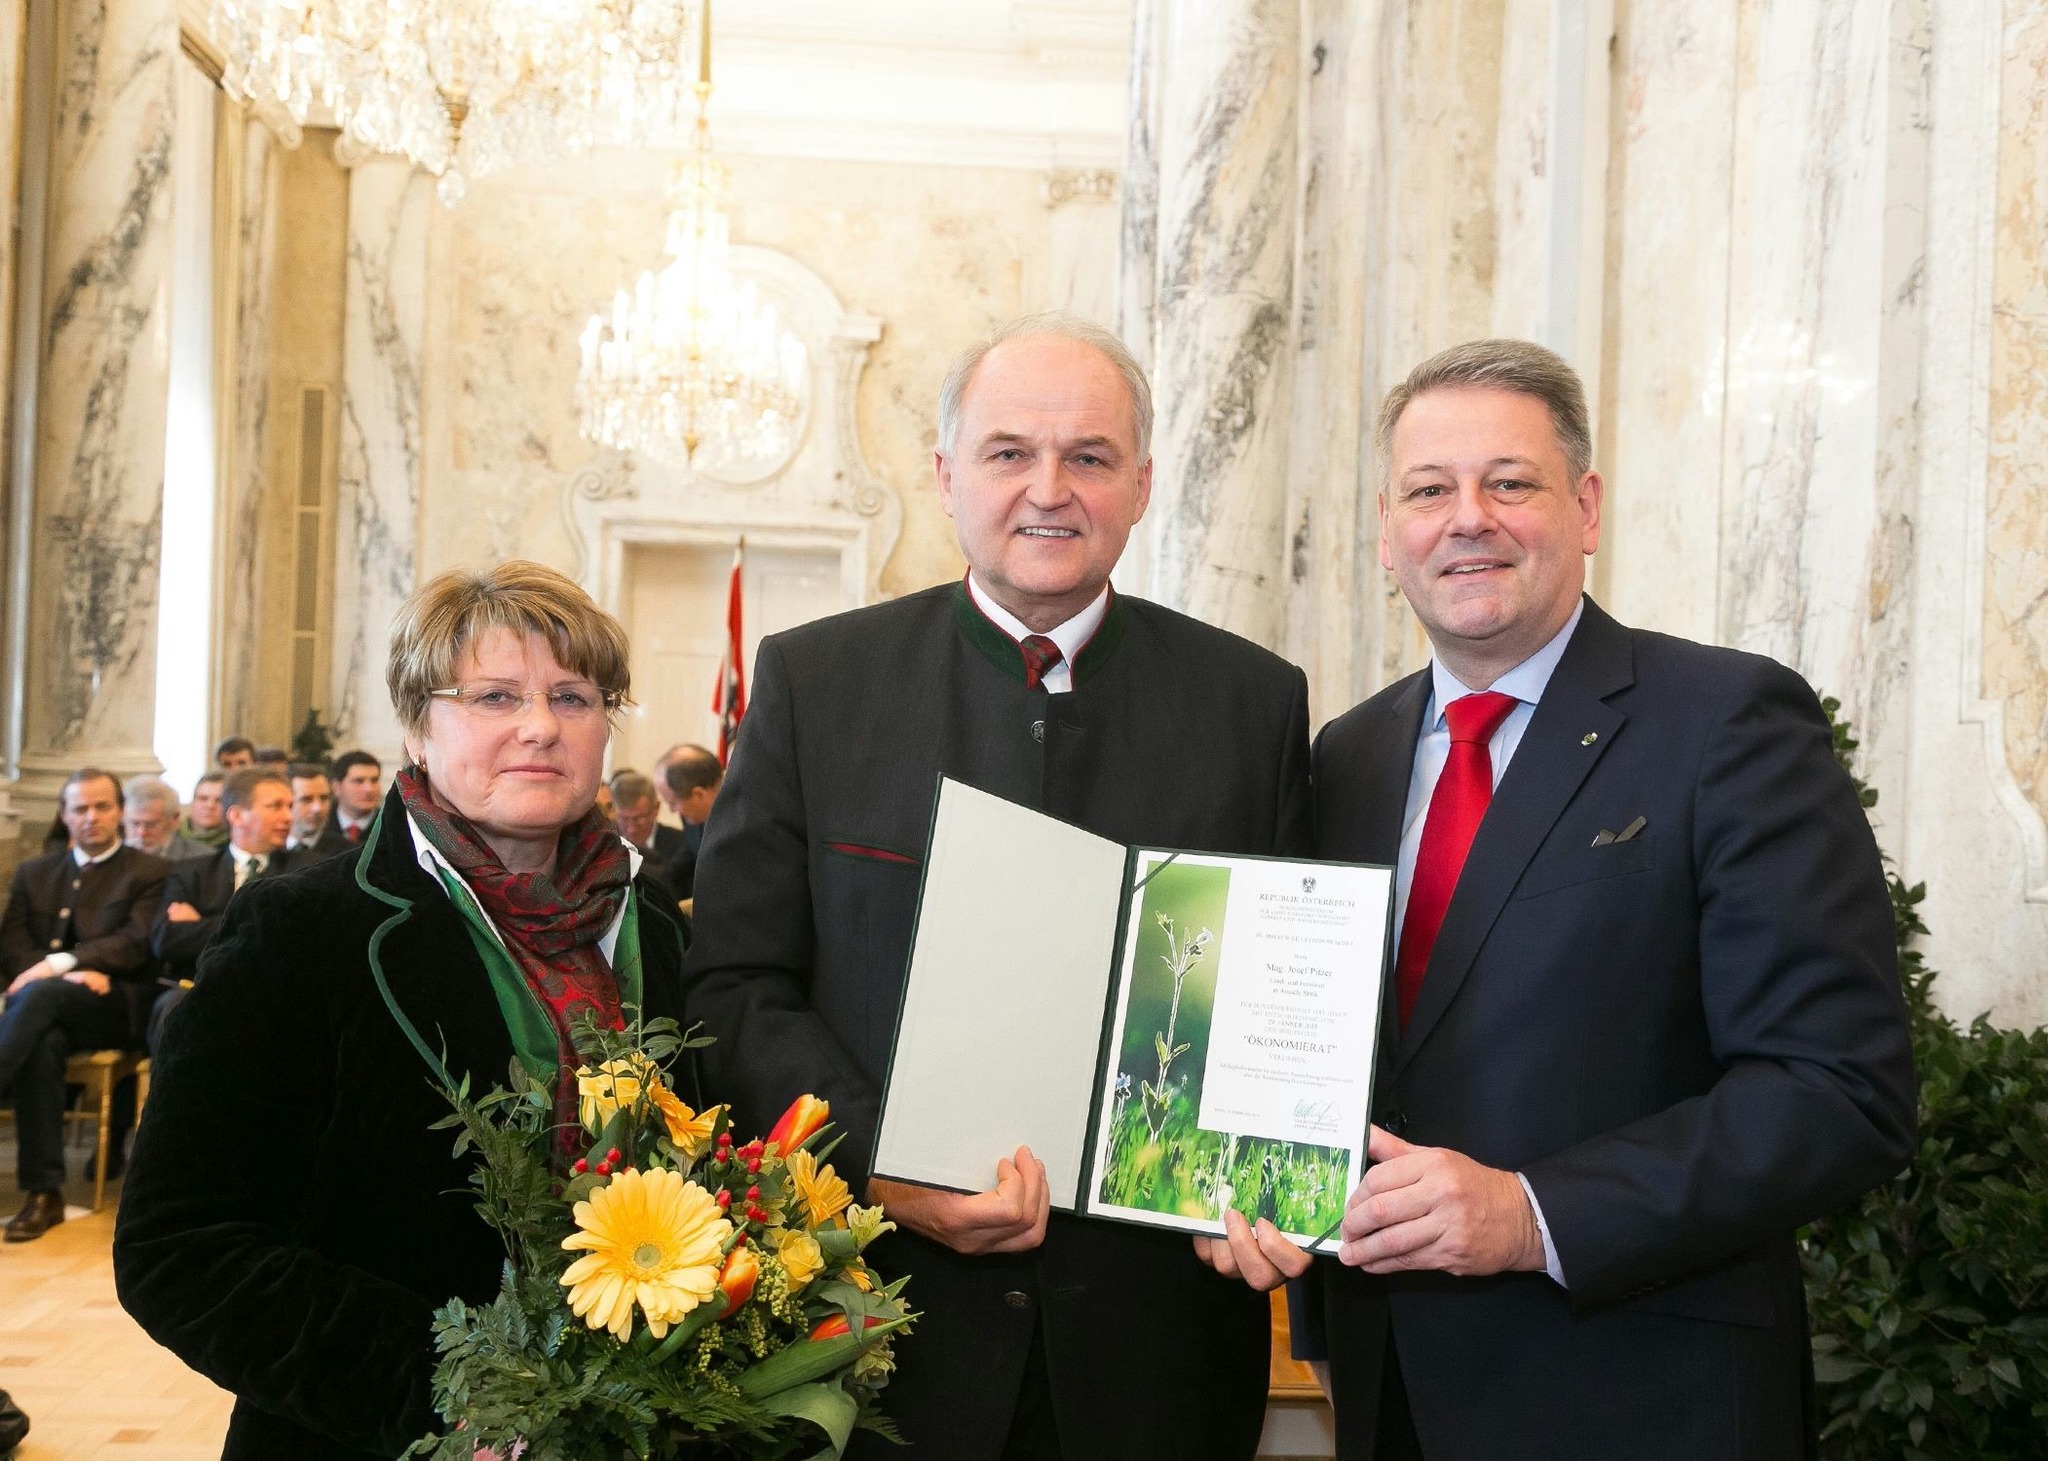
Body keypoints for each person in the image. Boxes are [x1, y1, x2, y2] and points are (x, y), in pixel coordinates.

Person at [1198, 339, 1916, 1459]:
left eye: (1509, 482)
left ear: (1583, 508)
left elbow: (1836, 1091)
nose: (1466, 517)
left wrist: (1531, 1215)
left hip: (1639, 1393)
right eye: (1429, 491)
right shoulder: (1349, 755)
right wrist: (1241, 1186)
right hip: (1391, 1395)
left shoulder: (1724, 724)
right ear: (1388, 532)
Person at [685, 312, 1312, 1459]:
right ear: (944, 476)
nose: (1048, 490)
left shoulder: (1250, 703)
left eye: (1088, 456)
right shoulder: (816, 684)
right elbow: (733, 985)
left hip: (1154, 1356)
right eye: (1008, 452)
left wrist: (1271, 1178)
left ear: (1141, 483)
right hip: (873, 1343)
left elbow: (1274, 1003)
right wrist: (881, 1163)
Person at [115, 561, 693, 1460]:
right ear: (420, 727)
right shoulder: (307, 929)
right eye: (496, 695)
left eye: (574, 697)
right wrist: (458, 1399)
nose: (541, 726)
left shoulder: (652, 919)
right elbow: (181, 1244)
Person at [0, 769, 169, 1241]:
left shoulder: (150, 870)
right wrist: (62, 972)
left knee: (42, 994)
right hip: (45, 1009)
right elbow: (12, 947)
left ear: (118, 811)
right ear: (63, 815)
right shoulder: (36, 873)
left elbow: (136, 942)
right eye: (79, 808)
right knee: (41, 1041)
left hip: (114, 1007)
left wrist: (60, 965)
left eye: (102, 807)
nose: (91, 818)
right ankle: (43, 1194)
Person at [147, 768, 298, 1054]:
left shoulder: (306, 868)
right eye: (275, 806)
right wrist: (258, 926)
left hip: (281, 990)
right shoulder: (192, 872)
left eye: (290, 806)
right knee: (172, 1008)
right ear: (237, 815)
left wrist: (202, 924)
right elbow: (165, 939)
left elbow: (294, 934)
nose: (288, 817)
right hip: (200, 984)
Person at [609, 769, 690, 903]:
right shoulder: (607, 845)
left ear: (656, 808)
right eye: (624, 819)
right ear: (613, 812)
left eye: (639, 818)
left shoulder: (682, 844)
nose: (632, 828)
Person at [656, 744, 722, 901]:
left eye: (673, 802)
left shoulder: (745, 822)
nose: (672, 810)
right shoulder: (693, 820)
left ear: (698, 795)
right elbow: (676, 870)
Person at [122, 775, 213, 863]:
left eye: (151, 825)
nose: (141, 833)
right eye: (134, 824)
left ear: (174, 820)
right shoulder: (112, 861)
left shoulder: (204, 861)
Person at [285, 763, 349, 859]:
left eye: (324, 798)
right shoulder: (267, 850)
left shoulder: (347, 854)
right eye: (306, 799)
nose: (318, 808)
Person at [327, 750, 383, 844]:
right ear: (336, 787)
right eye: (359, 781)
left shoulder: (391, 826)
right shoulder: (322, 826)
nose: (369, 789)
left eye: (374, 781)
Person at [182, 772, 229, 849]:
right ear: (192, 803)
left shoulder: (237, 845)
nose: (210, 806)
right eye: (203, 799)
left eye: (219, 800)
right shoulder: (170, 839)